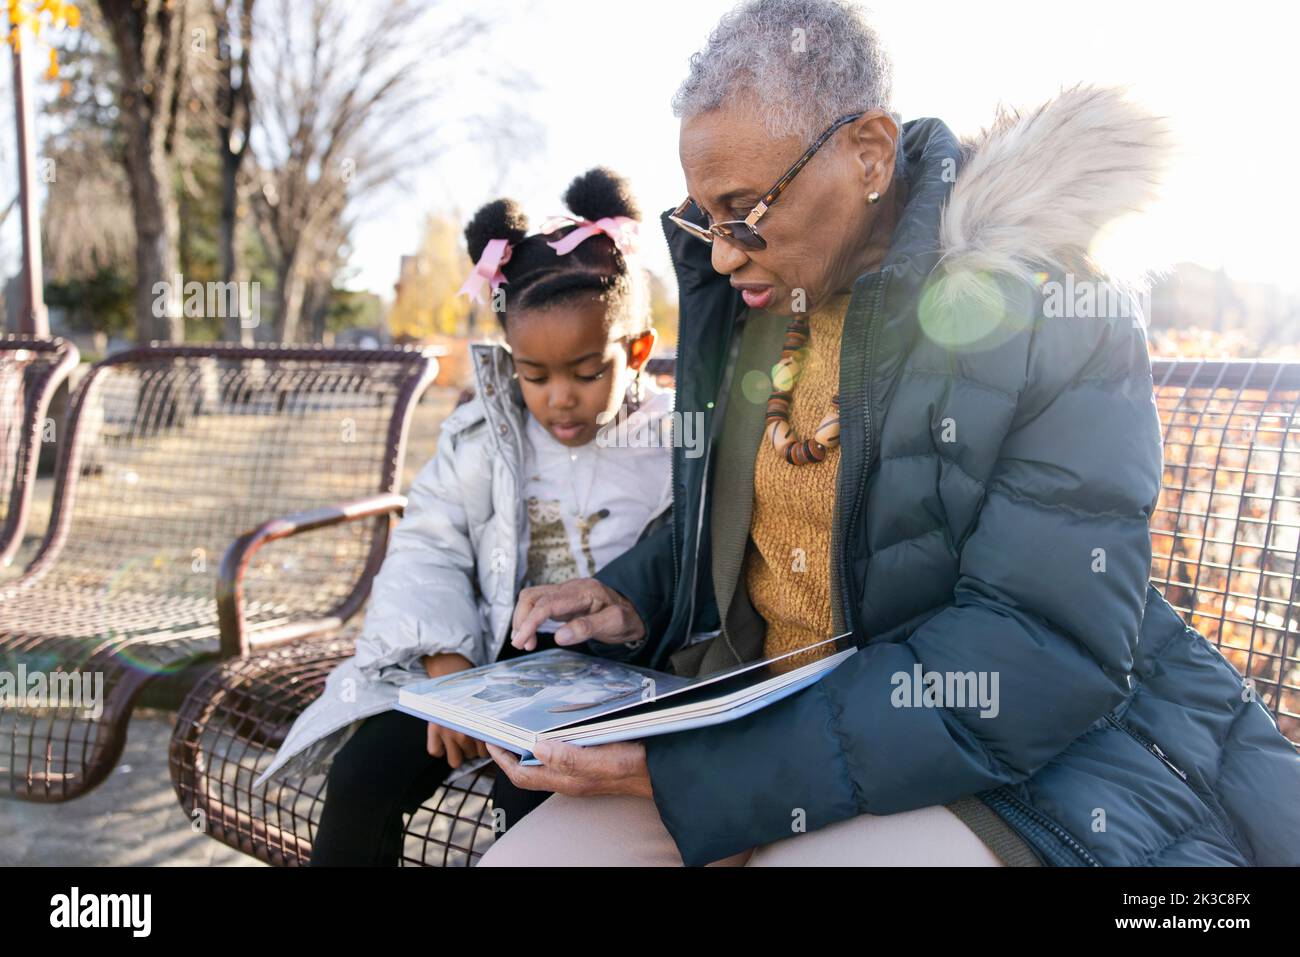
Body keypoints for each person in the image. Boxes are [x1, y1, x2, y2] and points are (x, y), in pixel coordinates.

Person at [482, 0, 1300, 866]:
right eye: (704, 216)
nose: (722, 254)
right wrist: (633, 594)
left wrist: (714, 770)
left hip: (992, 769)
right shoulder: (756, 300)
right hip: (741, 721)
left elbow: (1036, 647)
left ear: (868, 151)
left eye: (744, 208)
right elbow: (732, 519)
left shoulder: (1045, 308)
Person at [255, 167, 675, 866]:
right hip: (477, 651)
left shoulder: (669, 444)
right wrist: (445, 665)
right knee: (364, 775)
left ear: (634, 351)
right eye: (534, 375)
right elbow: (428, 543)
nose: (559, 398)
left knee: (532, 799)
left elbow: (684, 566)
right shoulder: (485, 436)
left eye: (585, 371)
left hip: (602, 679)